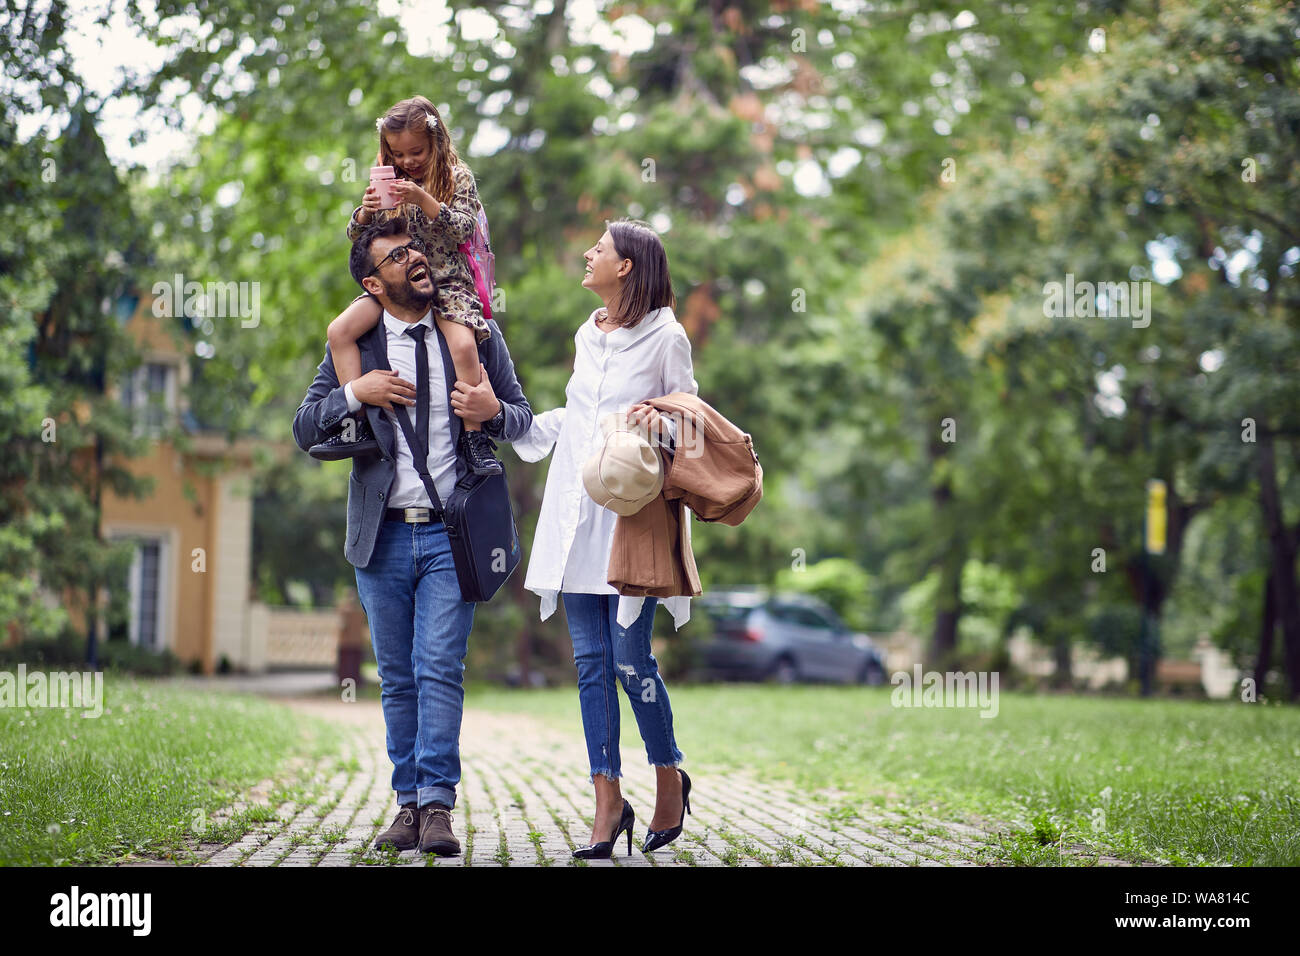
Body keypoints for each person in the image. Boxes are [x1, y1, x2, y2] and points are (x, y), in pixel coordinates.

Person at [292, 215, 533, 856]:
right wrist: (354, 392)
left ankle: (437, 807)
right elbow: (305, 429)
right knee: (397, 676)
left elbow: (522, 417)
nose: (413, 258)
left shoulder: (475, 335)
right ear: (374, 283)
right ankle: (406, 803)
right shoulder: (361, 349)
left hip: (452, 535)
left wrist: (492, 413)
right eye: (396, 256)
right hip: (383, 539)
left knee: (439, 669)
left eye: (414, 247)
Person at [512, 219, 697, 858]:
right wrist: (519, 426)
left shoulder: (667, 335)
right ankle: (607, 801)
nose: (588, 253)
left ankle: (669, 776)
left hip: (631, 520)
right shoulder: (586, 336)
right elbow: (581, 416)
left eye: (600, 248)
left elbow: (692, 430)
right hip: (576, 513)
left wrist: (663, 418)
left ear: (627, 267)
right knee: (590, 665)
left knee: (628, 659)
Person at [310, 95, 501, 476]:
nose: (408, 162)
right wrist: (366, 211)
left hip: (445, 279)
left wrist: (424, 199)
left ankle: (474, 438)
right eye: (398, 154)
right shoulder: (389, 176)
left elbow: (465, 228)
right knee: (340, 330)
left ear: (437, 142)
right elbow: (358, 237)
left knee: (463, 345)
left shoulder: (456, 176)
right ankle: (357, 423)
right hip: (396, 281)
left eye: (417, 152)